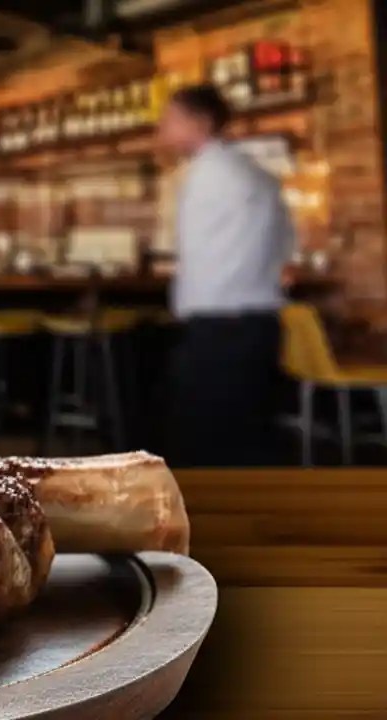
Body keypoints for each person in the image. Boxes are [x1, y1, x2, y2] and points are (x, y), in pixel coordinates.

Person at [158, 84, 294, 467]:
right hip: (261, 325)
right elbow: (286, 246)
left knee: (205, 450)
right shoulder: (258, 175)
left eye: (170, 120)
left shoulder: (205, 175)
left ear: (199, 123)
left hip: (219, 331)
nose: (162, 130)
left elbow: (193, 255)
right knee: (249, 445)